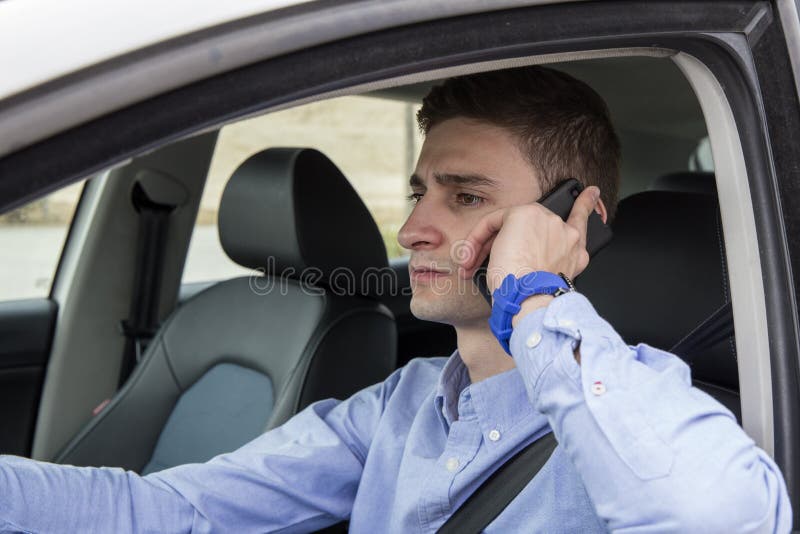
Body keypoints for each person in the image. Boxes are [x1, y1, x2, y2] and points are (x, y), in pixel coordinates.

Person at [0, 66, 791, 533]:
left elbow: (720, 520)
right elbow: (178, 513)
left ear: (572, 221)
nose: (413, 228)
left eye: (465, 196)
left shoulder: (644, 401)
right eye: (419, 192)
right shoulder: (396, 410)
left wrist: (537, 302)